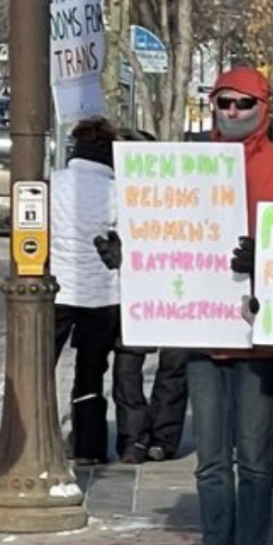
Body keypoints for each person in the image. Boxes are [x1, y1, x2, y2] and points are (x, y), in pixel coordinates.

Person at [200, 66, 273, 545]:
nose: (232, 113)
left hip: (258, 335)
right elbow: (159, 225)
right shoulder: (189, 162)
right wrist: (127, 251)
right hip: (198, 329)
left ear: (264, 108)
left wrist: (262, 258)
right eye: (224, 103)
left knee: (254, 460)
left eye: (243, 104)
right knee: (209, 463)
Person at [108, 128, 189, 464]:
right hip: (133, 294)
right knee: (127, 367)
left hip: (176, 290)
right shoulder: (111, 196)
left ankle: (163, 439)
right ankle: (134, 438)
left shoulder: (178, 195)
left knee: (173, 366)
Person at [50, 117, 124, 465]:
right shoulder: (116, 191)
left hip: (57, 291)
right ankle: (88, 446)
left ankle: (38, 436)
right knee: (91, 371)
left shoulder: (55, 183)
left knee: (39, 365)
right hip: (101, 295)